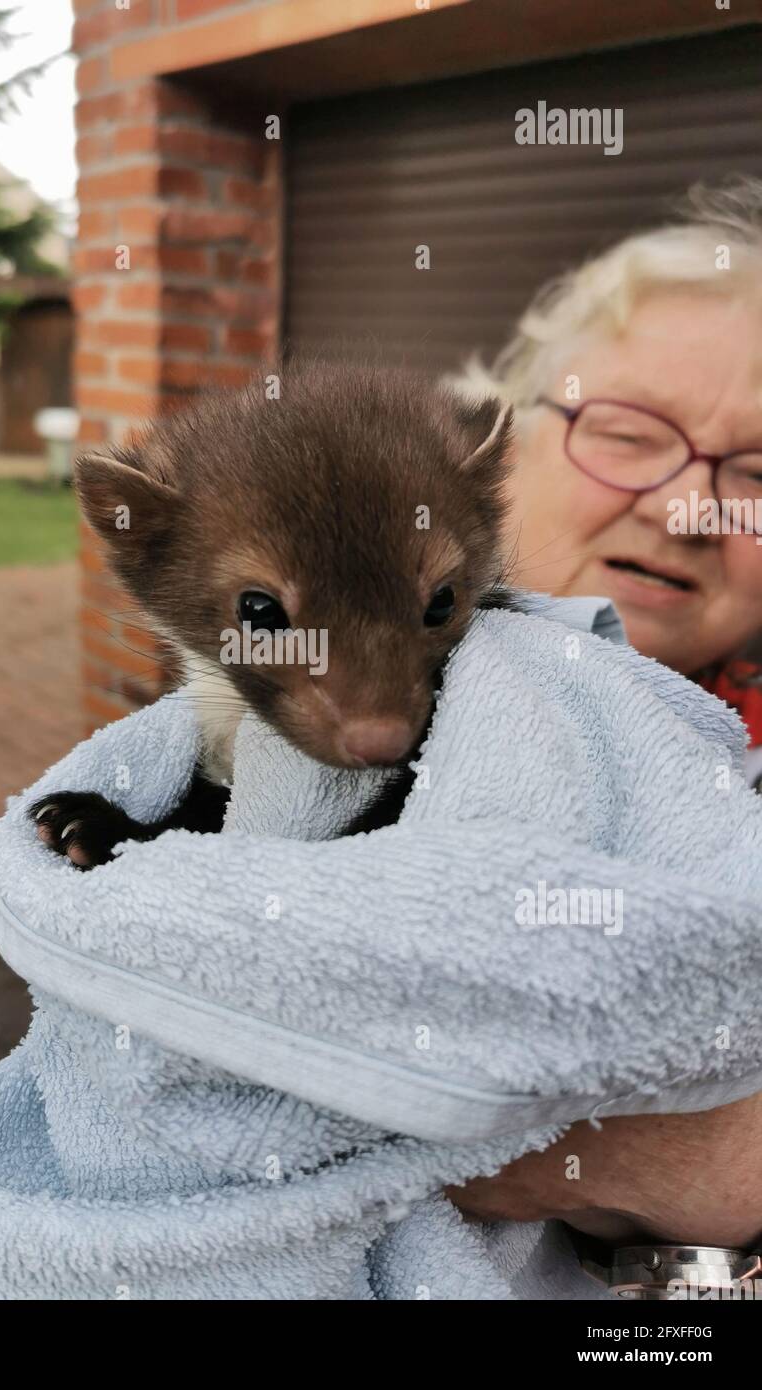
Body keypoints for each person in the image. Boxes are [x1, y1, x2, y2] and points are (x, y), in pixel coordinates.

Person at [446, 180, 762, 1254]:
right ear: (505, 447)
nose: (689, 509)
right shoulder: (361, 698)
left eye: (758, 472)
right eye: (627, 433)